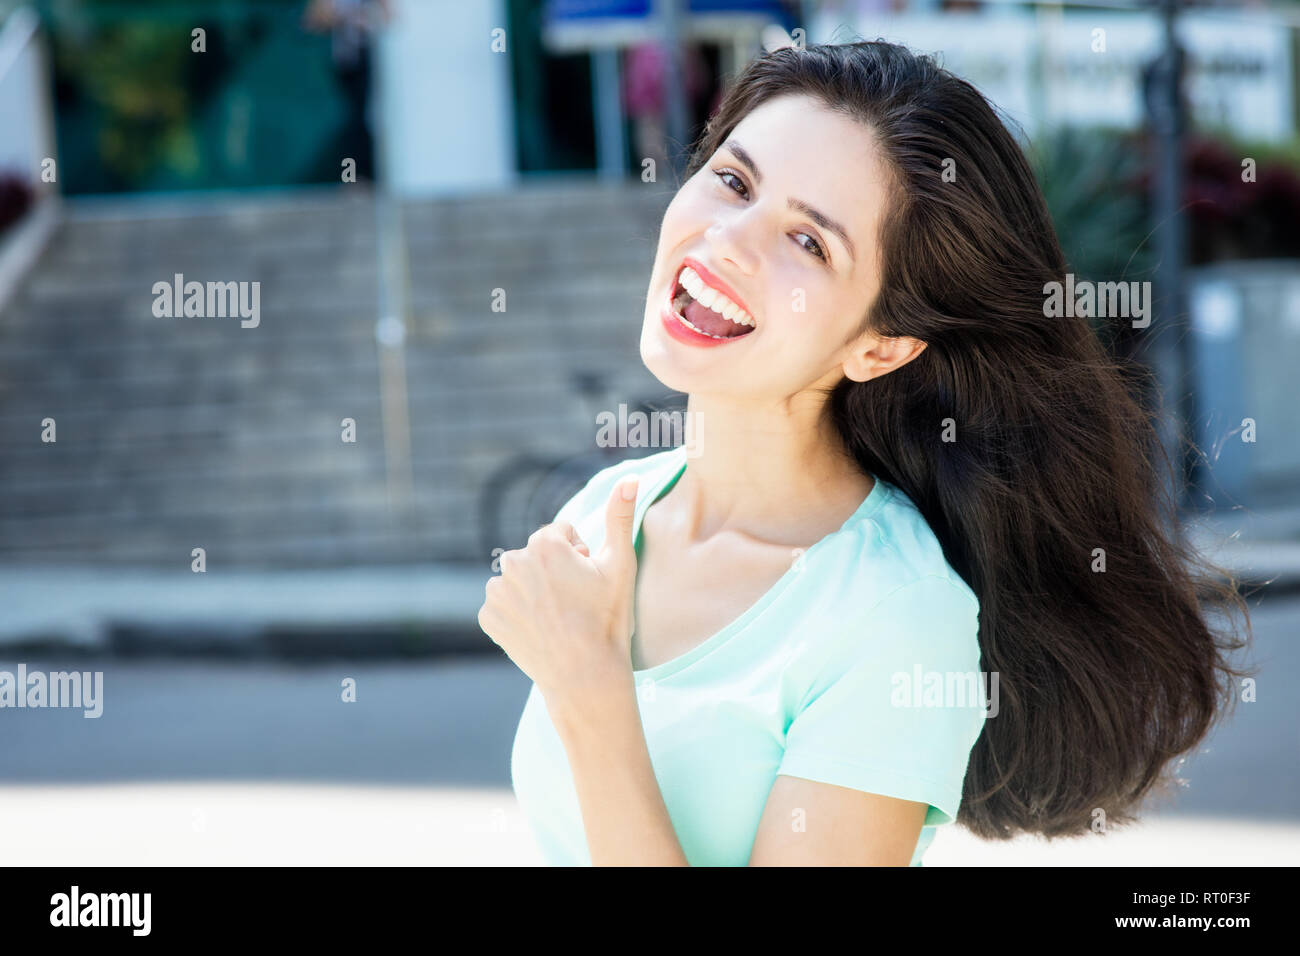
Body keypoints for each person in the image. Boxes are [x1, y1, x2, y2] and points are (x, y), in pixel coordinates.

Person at [479, 40, 1252, 866]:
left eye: (810, 243)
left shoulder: (893, 614)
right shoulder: (602, 517)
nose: (729, 240)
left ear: (881, 347)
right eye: (734, 182)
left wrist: (593, 696)